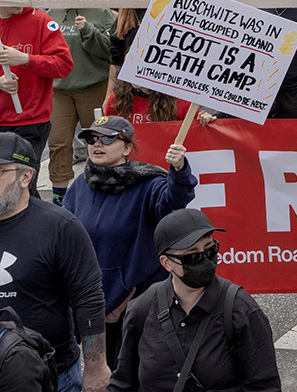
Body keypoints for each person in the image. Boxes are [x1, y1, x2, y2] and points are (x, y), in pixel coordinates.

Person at [63, 115, 194, 364]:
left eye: (107, 139)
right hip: (90, 297)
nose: (97, 144)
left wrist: (179, 170)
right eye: (91, 139)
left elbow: (173, 203)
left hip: (135, 298)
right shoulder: (80, 185)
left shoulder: (148, 183)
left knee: (134, 367)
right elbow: (65, 235)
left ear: (126, 148)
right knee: (98, 369)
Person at [109, 208, 280, 391]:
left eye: (210, 250)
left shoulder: (241, 311)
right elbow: (123, 384)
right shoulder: (142, 310)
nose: (205, 260)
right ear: (167, 263)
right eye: (193, 256)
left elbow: (264, 387)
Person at [0, 131, 108, 392]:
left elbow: (88, 299)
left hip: (51, 373)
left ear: (26, 176)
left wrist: (95, 367)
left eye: (0, 172)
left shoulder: (60, 227)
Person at [0, 3, 73, 196]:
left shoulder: (41, 21)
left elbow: (63, 65)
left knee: (22, 187)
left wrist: (26, 59)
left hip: (30, 122)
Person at [48, 7, 114, 202]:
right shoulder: (51, 13)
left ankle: (101, 192)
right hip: (59, 90)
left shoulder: (102, 12)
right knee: (58, 143)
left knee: (97, 143)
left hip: (93, 88)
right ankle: (59, 198)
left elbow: (110, 50)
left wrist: (88, 30)